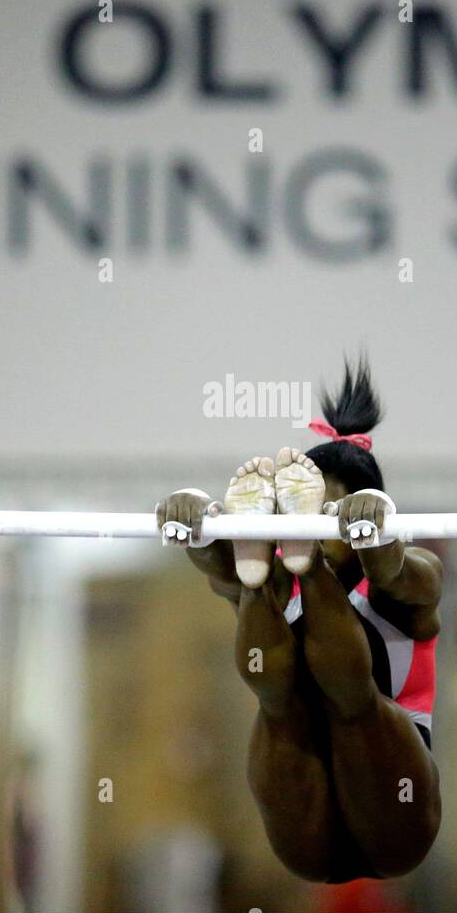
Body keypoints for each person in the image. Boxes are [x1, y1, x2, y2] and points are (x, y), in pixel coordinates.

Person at [156, 359, 441, 882]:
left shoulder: (408, 578)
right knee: (269, 663)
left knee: (350, 696)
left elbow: (396, 568)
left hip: (395, 808)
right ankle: (260, 549)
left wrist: (374, 524)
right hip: (304, 827)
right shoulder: (267, 582)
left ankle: (299, 561)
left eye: (325, 516)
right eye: (305, 512)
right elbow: (217, 570)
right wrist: (195, 513)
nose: (323, 521)